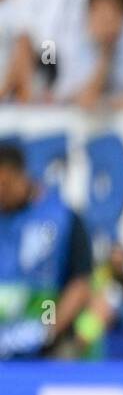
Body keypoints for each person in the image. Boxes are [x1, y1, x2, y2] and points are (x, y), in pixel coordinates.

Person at [0, 141, 93, 359]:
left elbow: (80, 283)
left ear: (20, 176)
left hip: (43, 336)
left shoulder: (61, 218)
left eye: (4, 184)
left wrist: (47, 331)